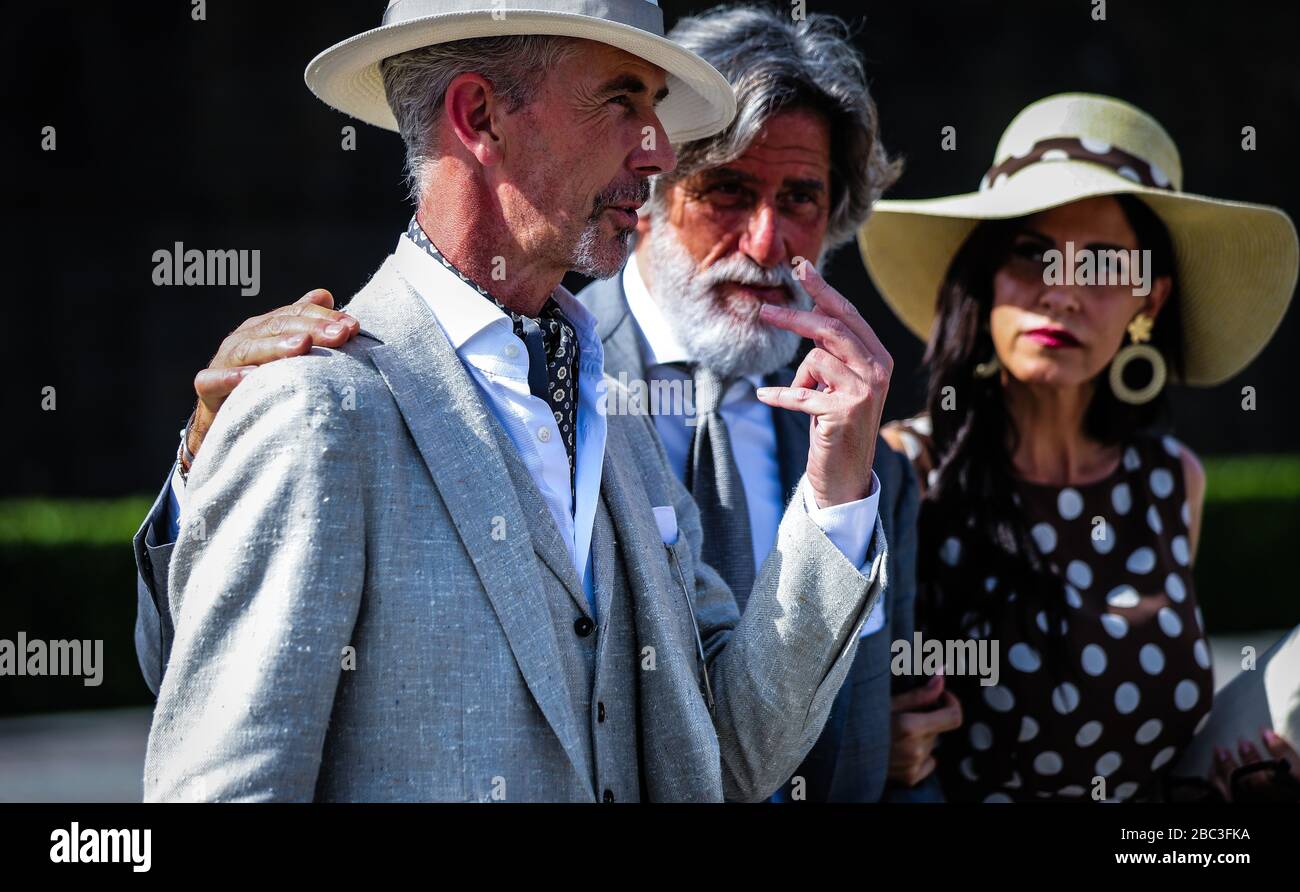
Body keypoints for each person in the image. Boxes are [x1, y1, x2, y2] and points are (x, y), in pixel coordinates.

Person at [134, 7, 957, 802]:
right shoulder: (316, 409)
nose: (659, 150)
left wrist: (837, 496)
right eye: (624, 101)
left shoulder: (603, 410)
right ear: (480, 115)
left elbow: (727, 760)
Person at [860, 93, 1299, 801]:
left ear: (1148, 301)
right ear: (985, 278)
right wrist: (868, 745)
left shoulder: (1172, 480)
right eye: (1031, 253)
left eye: (1101, 265)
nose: (1061, 292)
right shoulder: (904, 469)